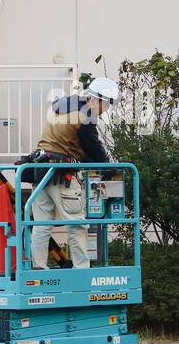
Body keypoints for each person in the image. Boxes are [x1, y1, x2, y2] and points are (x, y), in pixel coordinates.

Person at [25, 77, 120, 269]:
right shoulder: (86, 115)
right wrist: (108, 167)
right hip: (61, 175)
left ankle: (38, 268)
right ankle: (81, 271)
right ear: (98, 100)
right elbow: (93, 146)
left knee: (42, 224)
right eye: (107, 105)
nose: (105, 110)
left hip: (40, 171)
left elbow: (74, 145)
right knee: (77, 224)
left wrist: (95, 164)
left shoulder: (64, 106)